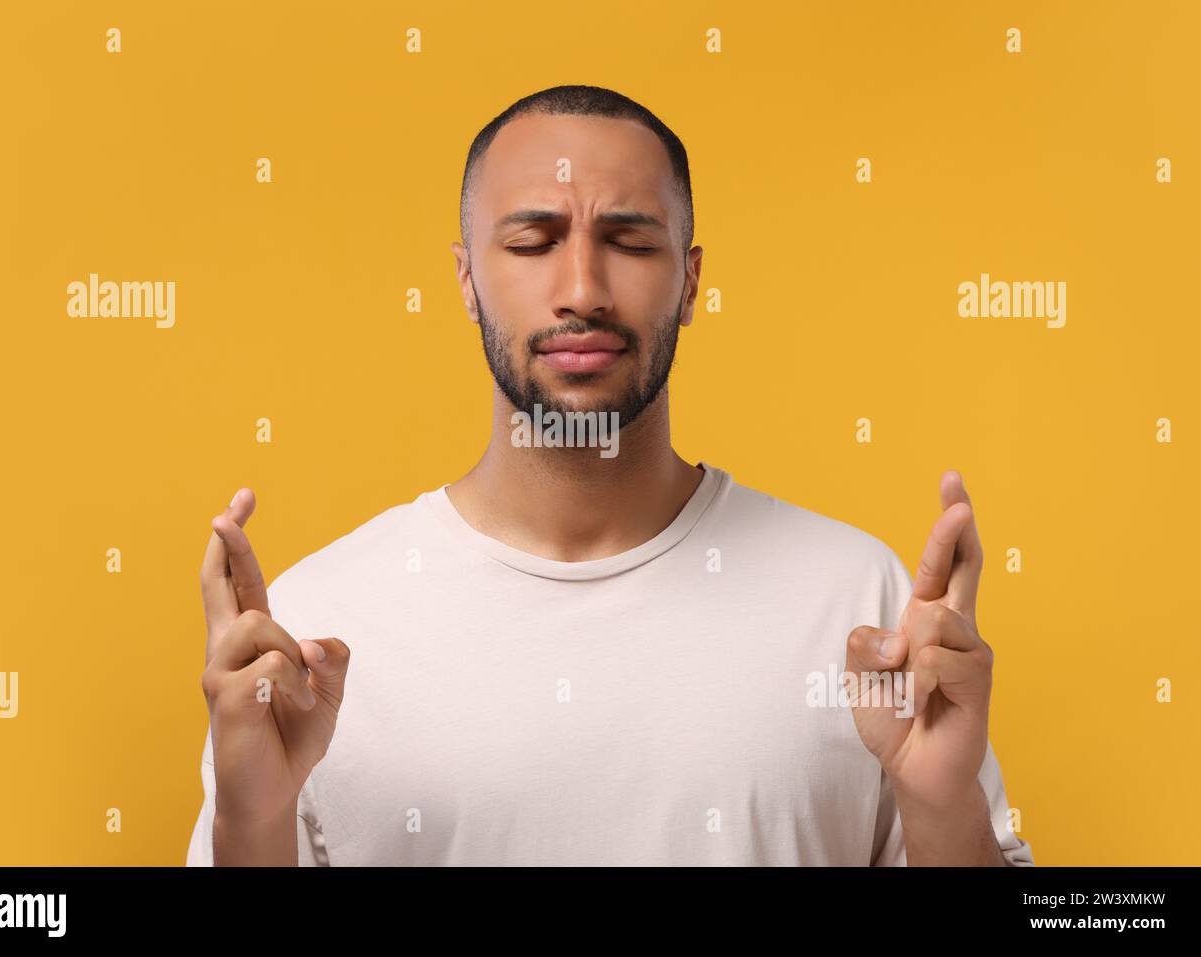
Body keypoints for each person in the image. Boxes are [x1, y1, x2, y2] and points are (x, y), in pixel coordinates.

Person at [187, 84, 1034, 866]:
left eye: (629, 241)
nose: (583, 290)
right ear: (466, 281)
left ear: (691, 280)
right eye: (532, 241)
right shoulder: (312, 635)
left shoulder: (861, 607)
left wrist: (942, 806)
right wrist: (250, 824)